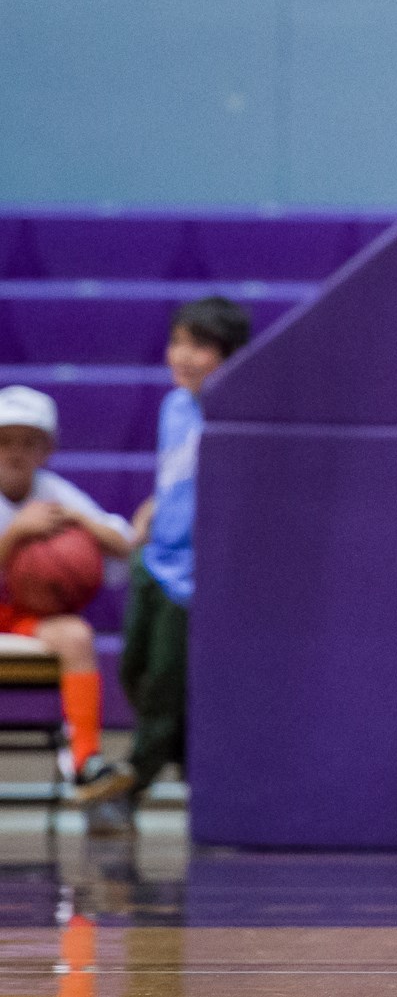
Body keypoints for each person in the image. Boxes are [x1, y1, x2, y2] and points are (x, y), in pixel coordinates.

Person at [83, 298, 255, 821]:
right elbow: (178, 476)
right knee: (135, 669)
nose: (182, 355)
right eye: (177, 342)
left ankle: (136, 775)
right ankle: (183, 759)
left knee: (163, 678)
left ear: (231, 358)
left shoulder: (237, 419)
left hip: (193, 578)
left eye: (200, 346)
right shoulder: (173, 407)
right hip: (155, 560)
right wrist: (152, 509)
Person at [0, 386, 134, 812]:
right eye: (4, 441)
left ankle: (85, 761)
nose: (15, 452)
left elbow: (125, 545)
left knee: (76, 636)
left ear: (47, 450)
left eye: (28, 442)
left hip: (23, 613)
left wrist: (81, 522)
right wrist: (18, 534)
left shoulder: (55, 492)